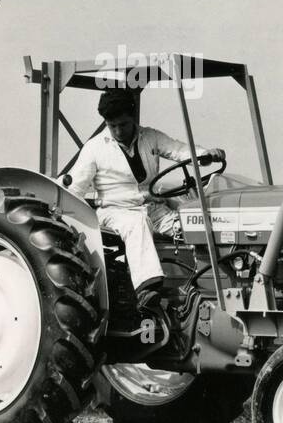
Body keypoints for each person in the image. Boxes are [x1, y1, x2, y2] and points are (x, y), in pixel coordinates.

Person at [66, 88, 225, 319]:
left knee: (190, 227)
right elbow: (74, 190)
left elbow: (179, 150)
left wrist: (206, 154)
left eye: (123, 124)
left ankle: (199, 290)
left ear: (134, 119)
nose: (119, 131)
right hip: (115, 211)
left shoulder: (150, 137)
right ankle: (146, 291)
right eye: (113, 126)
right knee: (136, 223)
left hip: (153, 207)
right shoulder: (95, 148)